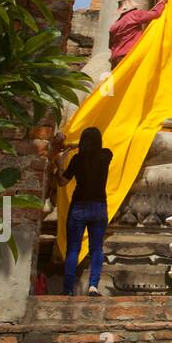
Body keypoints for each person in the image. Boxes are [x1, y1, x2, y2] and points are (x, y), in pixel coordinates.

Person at [54, 126, 113, 296]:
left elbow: (62, 182)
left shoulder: (77, 160)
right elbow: (97, 150)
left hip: (79, 207)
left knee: (73, 249)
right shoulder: (106, 155)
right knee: (96, 248)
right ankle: (93, 286)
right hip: (99, 207)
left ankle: (68, 289)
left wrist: (61, 161)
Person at [108, 0, 167, 66]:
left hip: (115, 58)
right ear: (133, 7)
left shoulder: (115, 25)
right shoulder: (134, 14)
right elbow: (156, 14)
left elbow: (110, 45)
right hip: (129, 55)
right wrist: (161, 2)